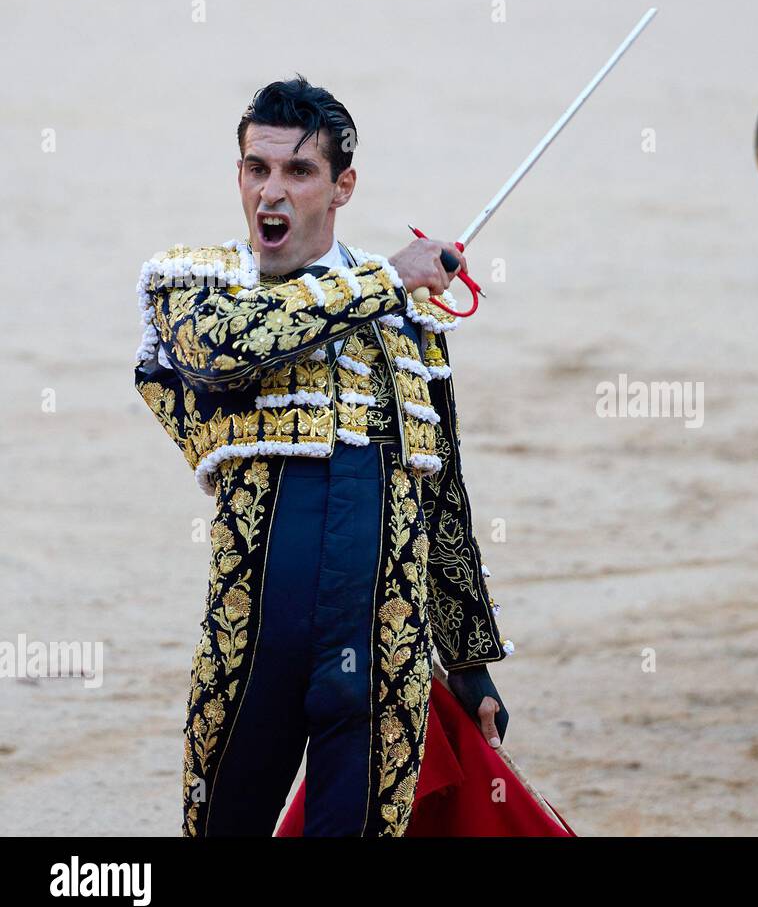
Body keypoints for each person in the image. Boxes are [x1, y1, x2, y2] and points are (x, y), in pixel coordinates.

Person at [133, 76, 531, 837]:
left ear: (342, 185)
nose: (271, 193)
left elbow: (441, 497)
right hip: (253, 641)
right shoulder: (196, 287)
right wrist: (387, 277)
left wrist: (470, 657)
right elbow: (225, 352)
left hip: (384, 645)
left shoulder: (412, 326)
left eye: (299, 171)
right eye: (257, 169)